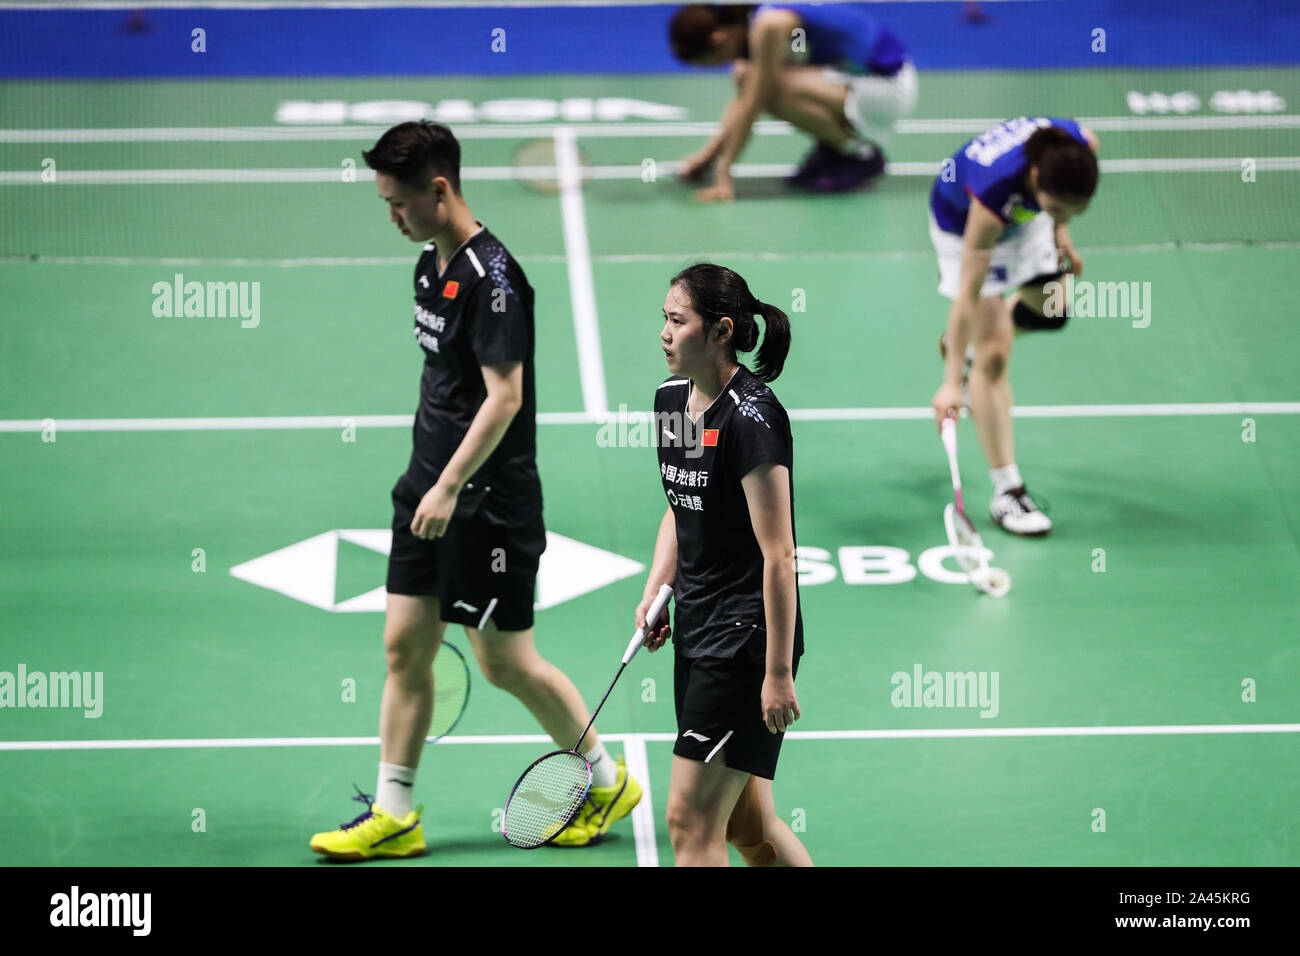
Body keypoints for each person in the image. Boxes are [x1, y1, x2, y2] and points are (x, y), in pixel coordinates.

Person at [309, 121, 639, 858]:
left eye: (398, 203)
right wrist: (428, 479)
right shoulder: (431, 264)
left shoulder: (495, 281)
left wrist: (451, 484)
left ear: (439, 189)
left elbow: (505, 396)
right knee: (404, 647)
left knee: (503, 664)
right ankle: (394, 811)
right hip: (425, 491)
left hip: (485, 504)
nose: (391, 217)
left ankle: (605, 777)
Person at [637, 263, 812, 866]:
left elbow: (779, 553)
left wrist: (777, 671)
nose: (664, 332)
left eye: (677, 320)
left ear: (720, 331)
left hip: (743, 643)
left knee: (689, 824)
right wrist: (658, 589)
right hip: (698, 629)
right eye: (664, 317)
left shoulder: (752, 419)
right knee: (747, 827)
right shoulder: (672, 401)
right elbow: (680, 505)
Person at [928, 117, 1100, 535]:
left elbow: (1059, 201)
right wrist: (951, 383)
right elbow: (968, 293)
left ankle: (964, 343)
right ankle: (1008, 492)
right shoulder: (993, 192)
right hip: (965, 224)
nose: (1065, 215)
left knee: (1053, 309)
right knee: (994, 358)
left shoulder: (1079, 148)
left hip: (1027, 218)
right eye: (1059, 208)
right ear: (1037, 176)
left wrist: (1060, 229)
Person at [669, 3, 916, 199]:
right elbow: (743, 100)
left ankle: (858, 155)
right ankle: (836, 150)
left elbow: (754, 101)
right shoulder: (757, 20)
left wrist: (723, 172)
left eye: (708, 62)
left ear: (719, 40)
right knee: (752, 78)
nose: (716, 66)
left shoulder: (769, 25)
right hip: (857, 79)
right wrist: (707, 158)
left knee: (766, 86)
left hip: (887, 86)